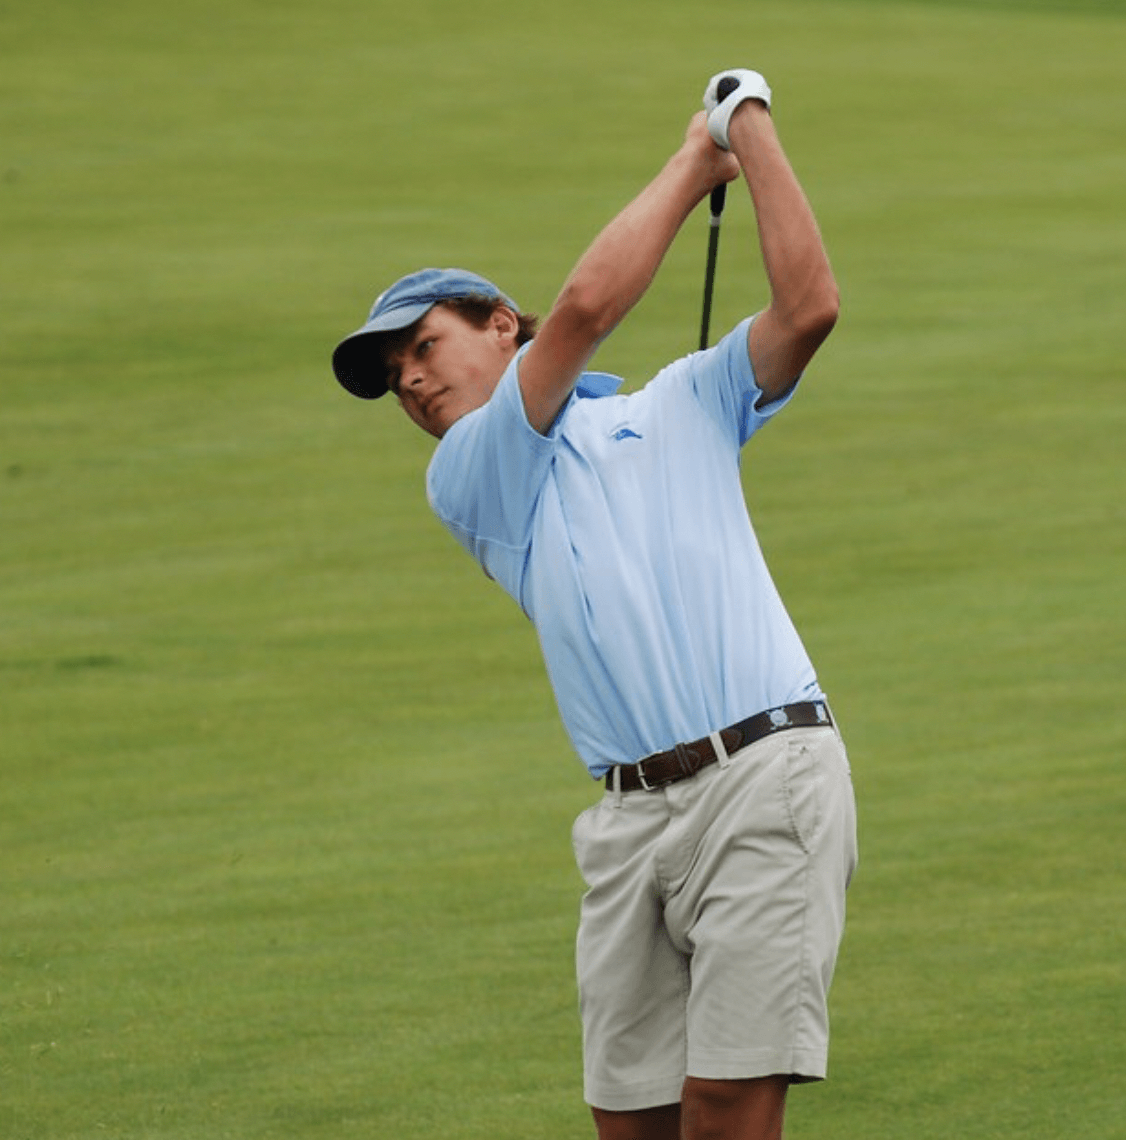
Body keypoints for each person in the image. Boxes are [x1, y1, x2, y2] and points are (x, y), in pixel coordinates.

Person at [329, 71, 857, 1140]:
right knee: (631, 1124)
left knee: (722, 1112)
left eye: (422, 348)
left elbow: (808, 309)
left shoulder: (682, 403)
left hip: (764, 776)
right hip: (626, 822)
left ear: (495, 325)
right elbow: (584, 310)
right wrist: (694, 155)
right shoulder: (472, 475)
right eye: (393, 380)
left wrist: (747, 134)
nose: (411, 387)